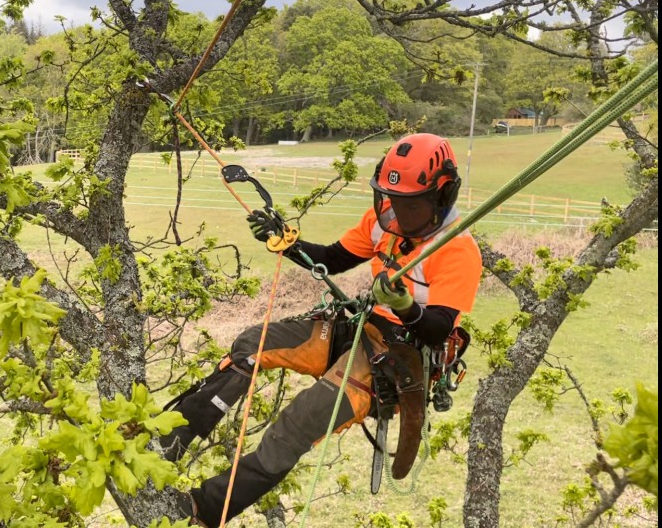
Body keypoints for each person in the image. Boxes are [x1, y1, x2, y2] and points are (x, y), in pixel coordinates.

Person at [162, 133, 483, 527]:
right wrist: (288, 244)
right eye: (392, 203)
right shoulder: (385, 223)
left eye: (412, 206)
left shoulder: (456, 250)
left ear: (442, 196)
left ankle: (203, 509)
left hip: (398, 355)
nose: (400, 215)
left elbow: (436, 331)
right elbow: (331, 259)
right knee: (252, 345)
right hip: (361, 327)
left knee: (300, 421)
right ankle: (168, 441)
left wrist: (405, 306)